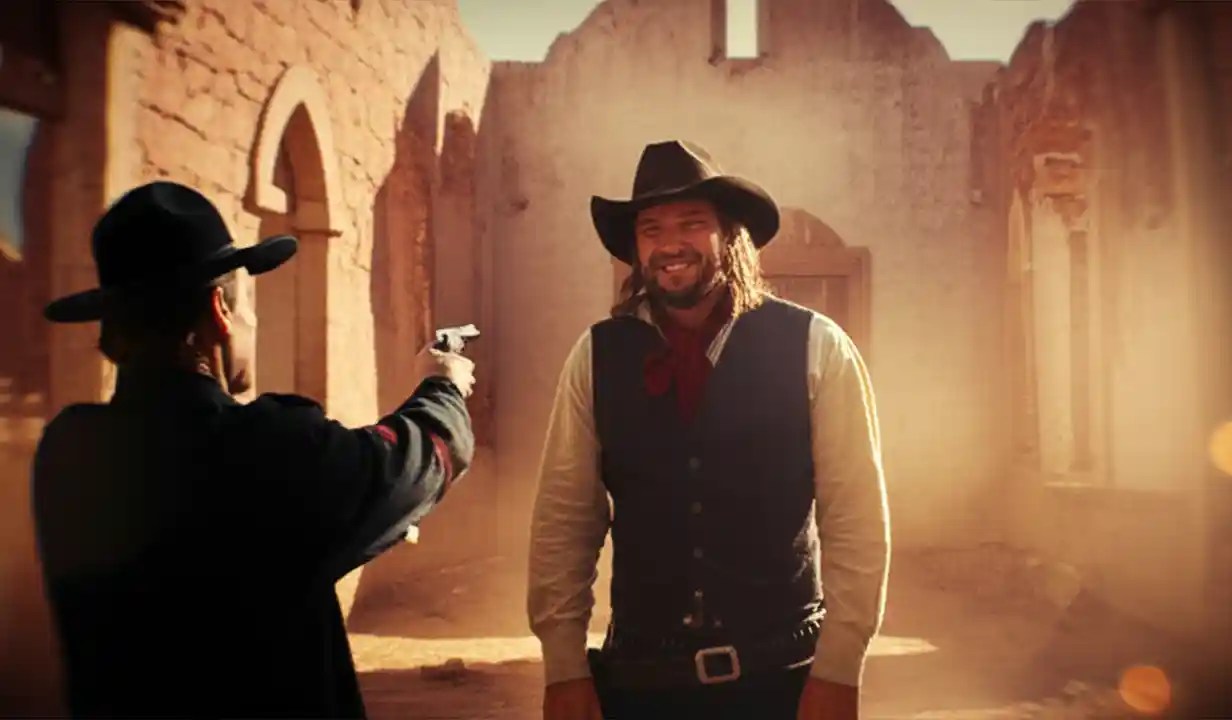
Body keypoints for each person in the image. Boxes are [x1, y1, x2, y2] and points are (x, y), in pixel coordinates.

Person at [31, 181, 476, 718]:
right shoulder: (269, 450)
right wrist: (441, 382)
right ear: (220, 309)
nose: (252, 321)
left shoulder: (69, 450)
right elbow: (420, 456)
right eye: (247, 302)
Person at [527, 140, 891, 720]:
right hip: (642, 682)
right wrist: (564, 668)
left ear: (730, 235)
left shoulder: (817, 347)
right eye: (651, 229)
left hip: (783, 681)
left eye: (692, 224)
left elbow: (856, 521)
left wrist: (840, 670)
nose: (669, 244)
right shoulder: (596, 355)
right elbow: (564, 520)